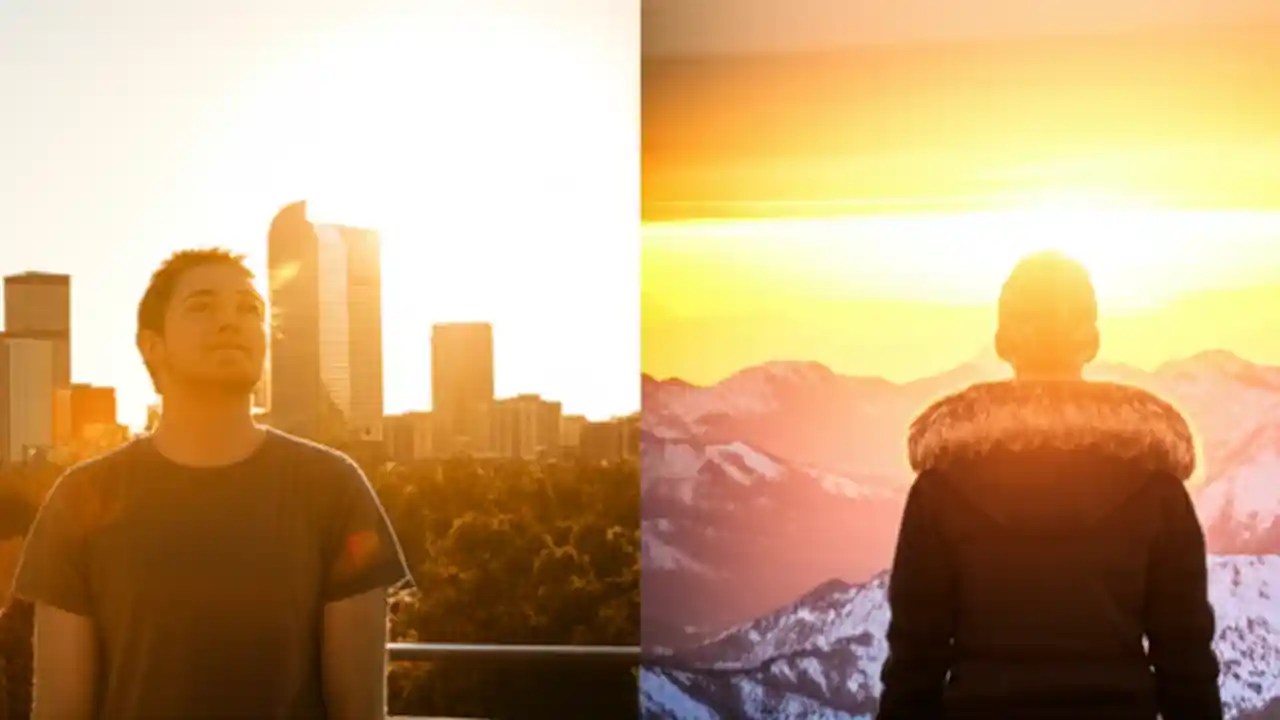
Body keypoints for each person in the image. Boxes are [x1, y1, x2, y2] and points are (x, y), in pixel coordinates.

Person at [11, 248, 412, 719]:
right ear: (151, 345)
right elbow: (61, 709)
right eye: (202, 306)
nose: (231, 321)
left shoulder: (334, 488)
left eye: (249, 309)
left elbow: (359, 710)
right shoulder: (81, 498)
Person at [877, 251, 1221, 720]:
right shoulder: (1157, 489)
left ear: (1002, 342)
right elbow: (1186, 663)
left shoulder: (941, 490)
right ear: (1092, 340)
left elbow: (915, 664)